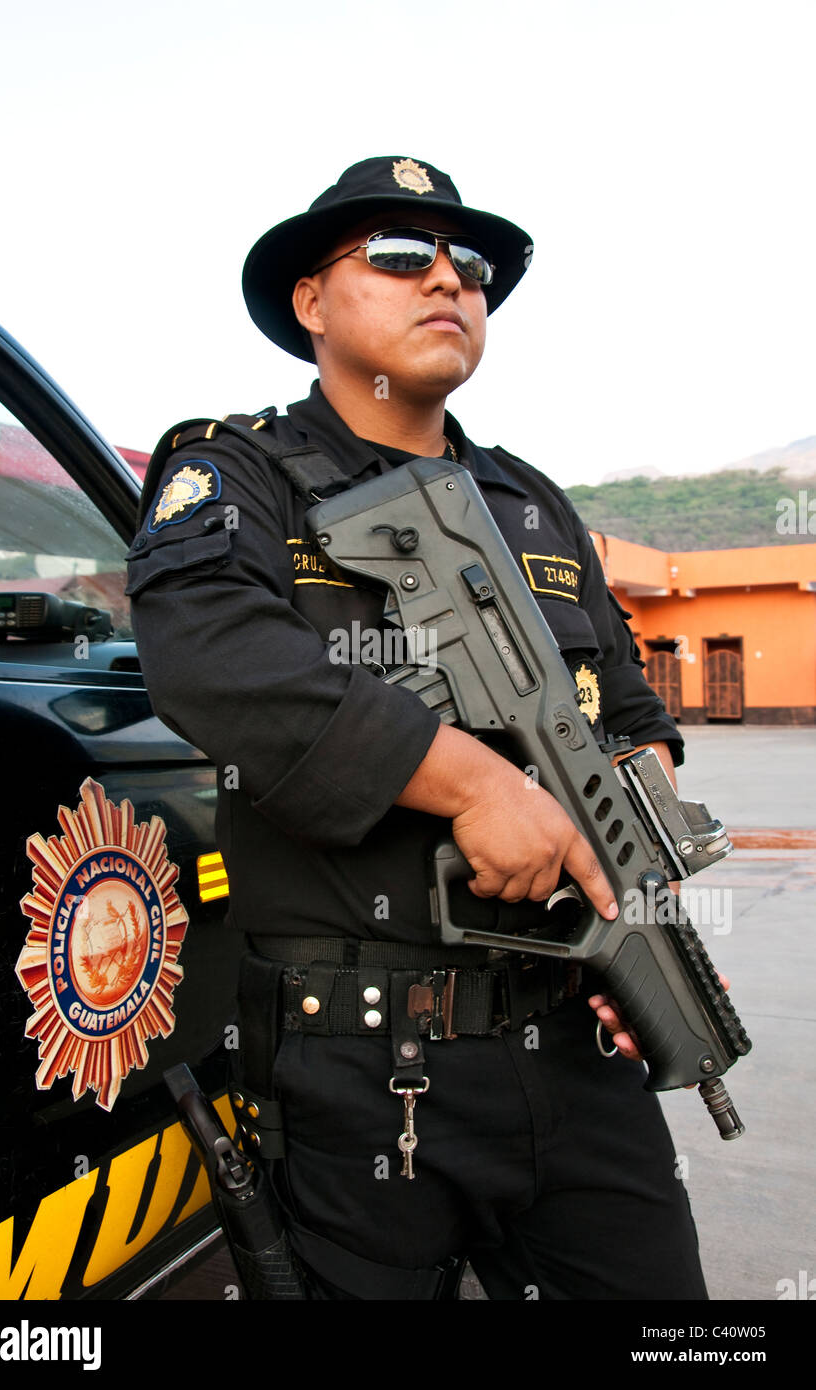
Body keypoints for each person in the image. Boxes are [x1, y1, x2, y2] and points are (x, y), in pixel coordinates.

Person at [127, 156, 709, 1300]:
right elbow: (212, 657)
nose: (445, 279)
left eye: (470, 266)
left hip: (577, 1054)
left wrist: (637, 898)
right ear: (310, 301)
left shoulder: (530, 502)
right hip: (360, 1069)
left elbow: (632, 715)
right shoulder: (238, 473)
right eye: (398, 255)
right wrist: (473, 787)